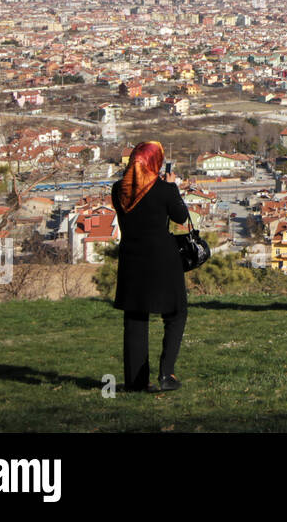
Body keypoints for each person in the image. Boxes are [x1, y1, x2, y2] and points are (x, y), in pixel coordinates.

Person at [110, 141, 189, 393]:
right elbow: (180, 217)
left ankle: (136, 381)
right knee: (176, 312)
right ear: (155, 163)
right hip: (162, 259)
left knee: (135, 317)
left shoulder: (118, 190)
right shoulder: (165, 190)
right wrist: (172, 185)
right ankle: (167, 373)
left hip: (131, 259)